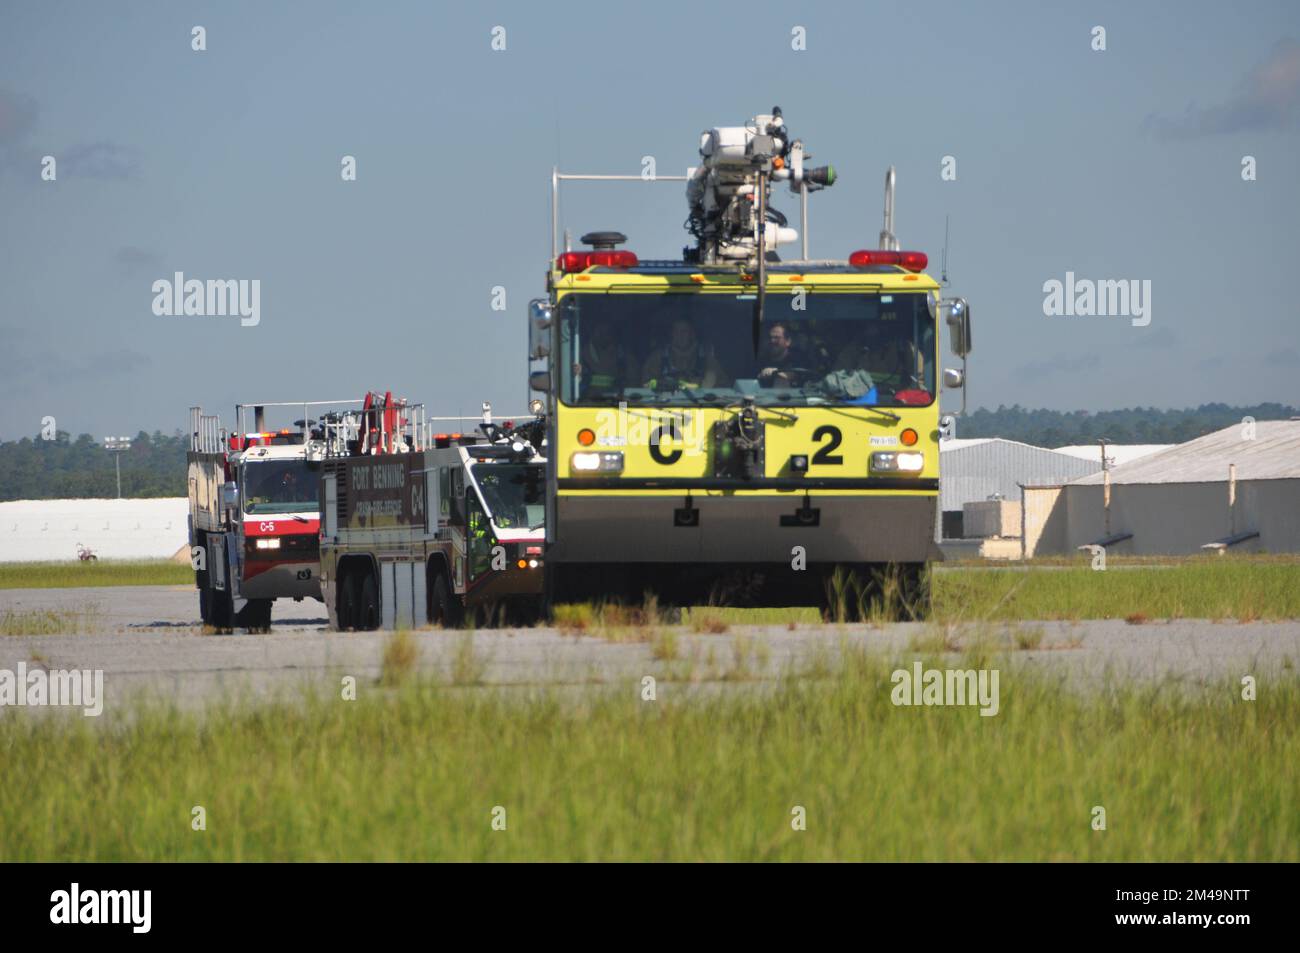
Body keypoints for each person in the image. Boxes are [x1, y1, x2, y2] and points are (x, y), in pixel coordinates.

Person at [641, 317, 726, 390]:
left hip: (700, 406)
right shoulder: (657, 358)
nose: (680, 335)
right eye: (676, 331)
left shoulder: (707, 359)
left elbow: (722, 390)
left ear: (692, 334)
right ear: (671, 334)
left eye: (684, 331)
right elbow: (645, 386)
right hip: (663, 406)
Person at [573, 320, 632, 398]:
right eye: (600, 331)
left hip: (618, 402)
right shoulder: (578, 354)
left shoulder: (622, 356)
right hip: (589, 402)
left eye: (607, 332)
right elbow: (569, 388)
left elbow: (634, 387)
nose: (603, 336)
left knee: (624, 409)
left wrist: (623, 406)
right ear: (592, 332)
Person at [756, 321, 811, 387]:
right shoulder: (761, 360)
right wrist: (761, 375)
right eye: (769, 337)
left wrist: (776, 373)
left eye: (777, 338)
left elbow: (796, 375)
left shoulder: (798, 359)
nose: (772, 341)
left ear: (788, 341)